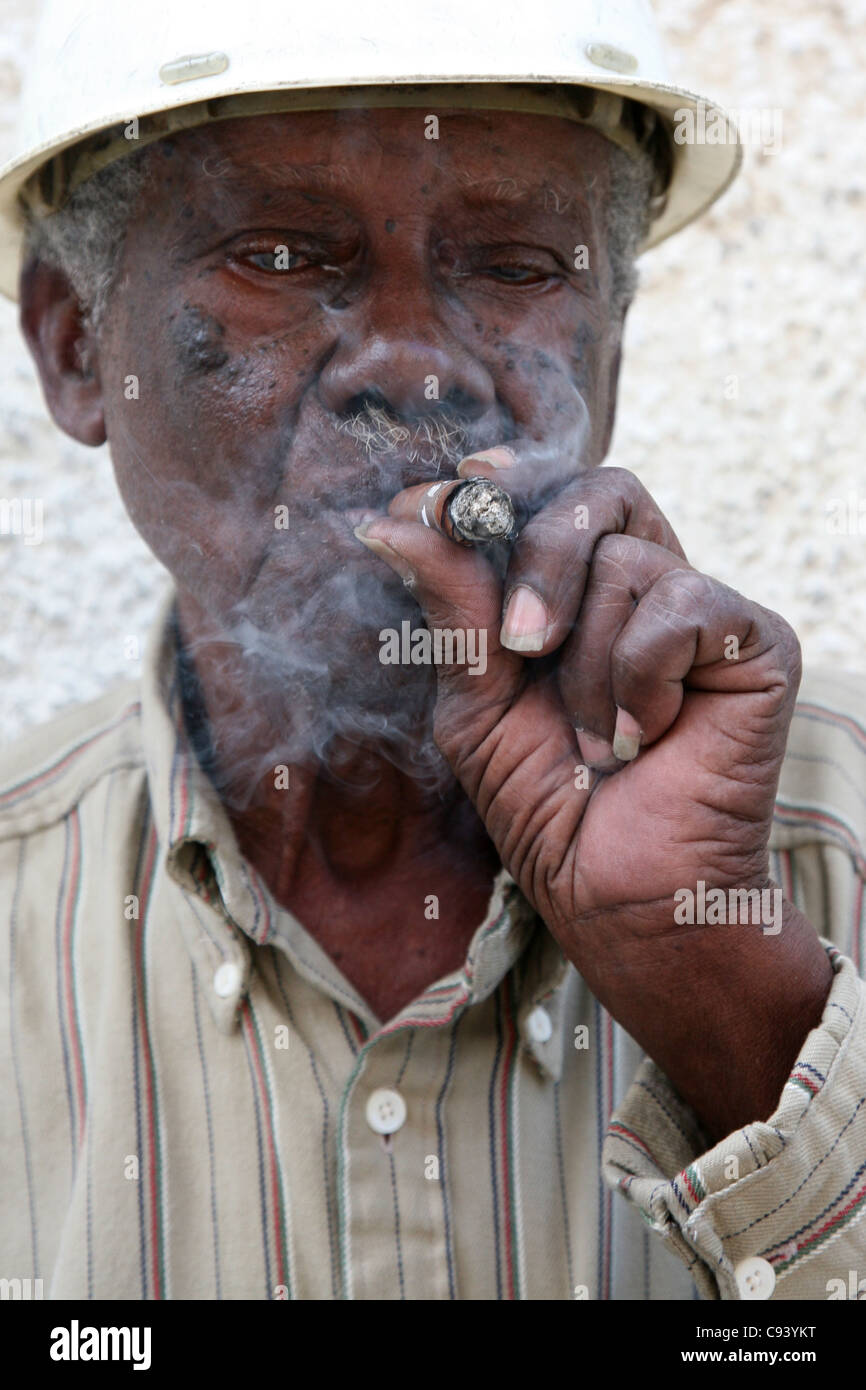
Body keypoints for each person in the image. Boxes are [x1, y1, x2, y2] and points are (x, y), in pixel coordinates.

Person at [1, 0, 864, 1301]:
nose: (411, 368)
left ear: (610, 346)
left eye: (515, 265)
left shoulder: (830, 840)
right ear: (76, 347)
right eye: (283, 254)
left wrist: (729, 992)